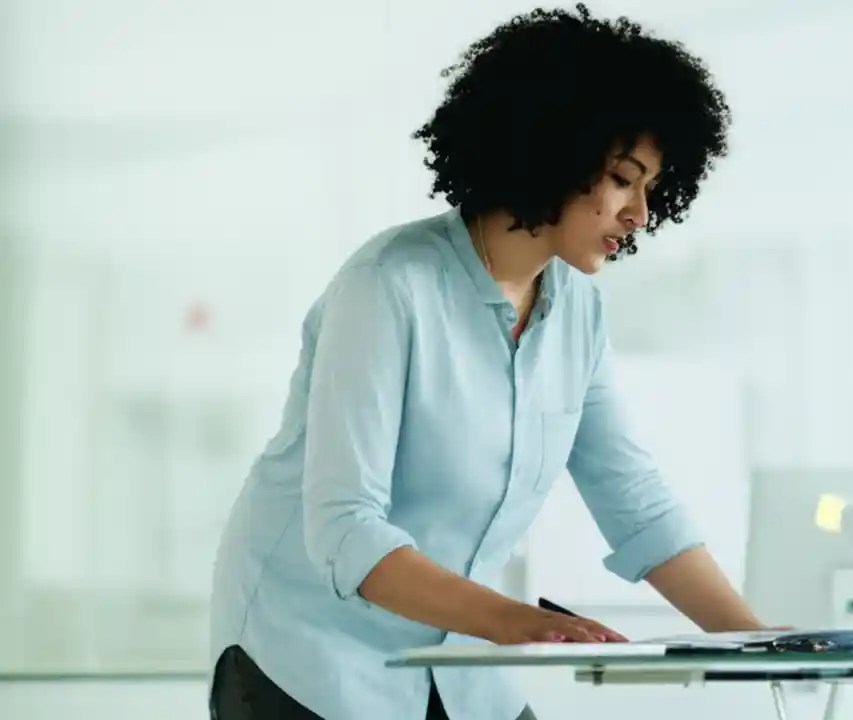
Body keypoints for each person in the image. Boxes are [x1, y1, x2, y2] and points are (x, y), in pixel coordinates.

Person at [208, 4, 770, 719]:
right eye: (624, 179)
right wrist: (516, 622)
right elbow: (347, 525)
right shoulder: (388, 287)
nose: (640, 215)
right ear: (554, 150)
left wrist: (752, 638)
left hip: (461, 657)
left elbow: (634, 501)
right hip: (310, 654)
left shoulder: (576, 311)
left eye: (654, 189)